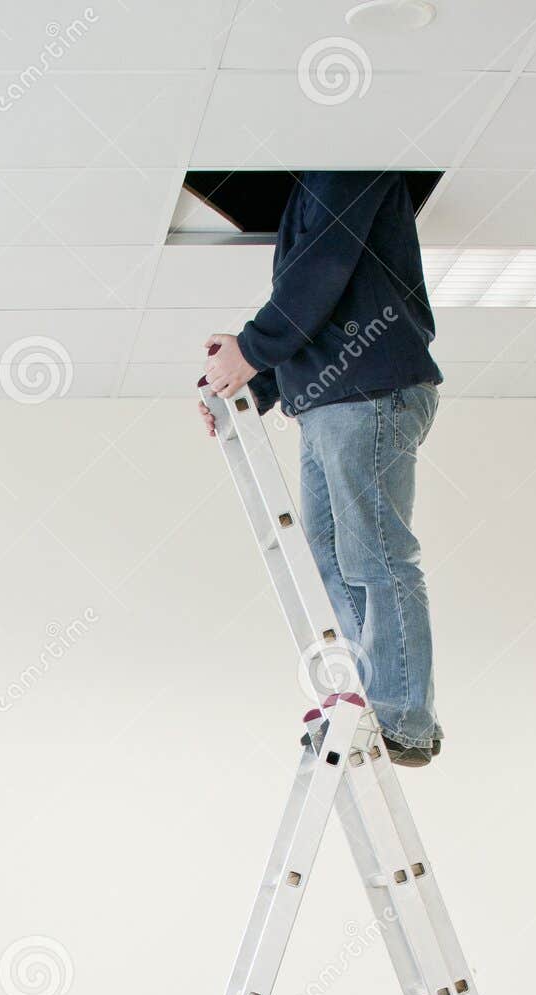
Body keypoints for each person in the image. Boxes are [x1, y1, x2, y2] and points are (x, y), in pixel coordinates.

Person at [199, 170, 443, 767]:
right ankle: (373, 707)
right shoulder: (307, 190)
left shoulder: (351, 160)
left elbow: (322, 272)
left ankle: (405, 720)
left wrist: (251, 350)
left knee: (374, 556)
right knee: (333, 563)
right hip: (329, 402)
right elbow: (314, 313)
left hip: (369, 392)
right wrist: (247, 386)